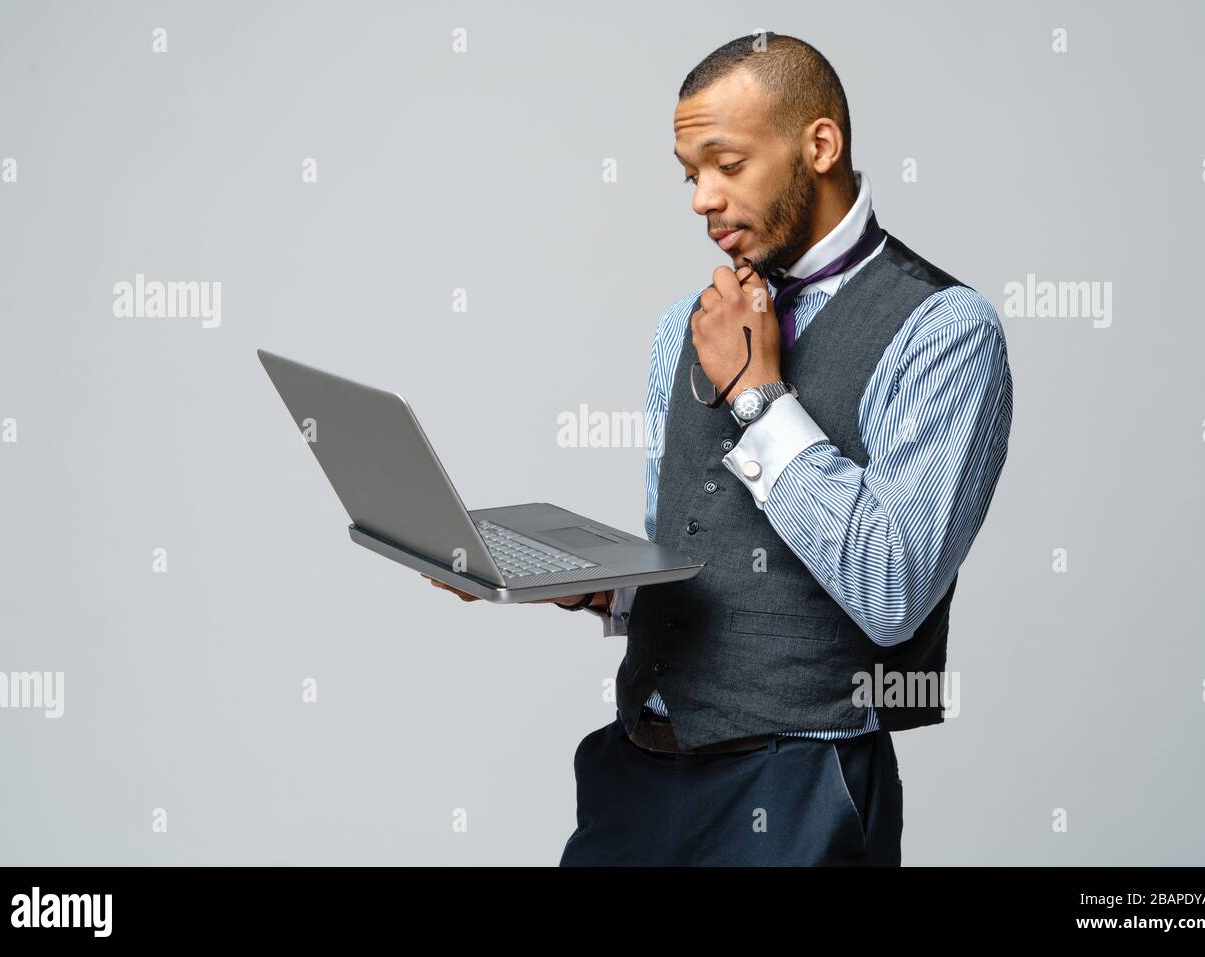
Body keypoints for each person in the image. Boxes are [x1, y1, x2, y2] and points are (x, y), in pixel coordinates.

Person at [431, 31, 1013, 866]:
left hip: (801, 785)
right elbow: (701, 570)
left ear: (819, 145)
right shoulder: (685, 325)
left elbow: (894, 589)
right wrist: (592, 588)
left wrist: (758, 397)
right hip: (635, 775)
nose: (702, 197)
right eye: (688, 172)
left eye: (726, 164)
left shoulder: (947, 331)